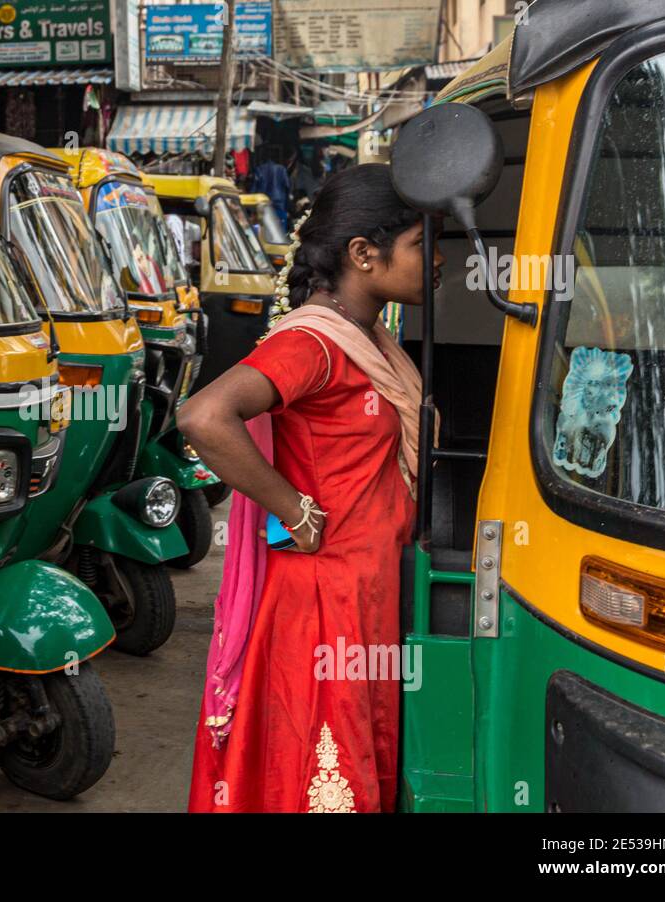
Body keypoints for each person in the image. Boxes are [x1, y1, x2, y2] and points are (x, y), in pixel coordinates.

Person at [179, 163, 444, 813]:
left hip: (366, 593)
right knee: (327, 777)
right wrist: (294, 509)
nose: (437, 261)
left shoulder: (368, 337)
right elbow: (204, 416)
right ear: (363, 253)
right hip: (326, 603)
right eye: (421, 244)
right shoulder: (314, 344)